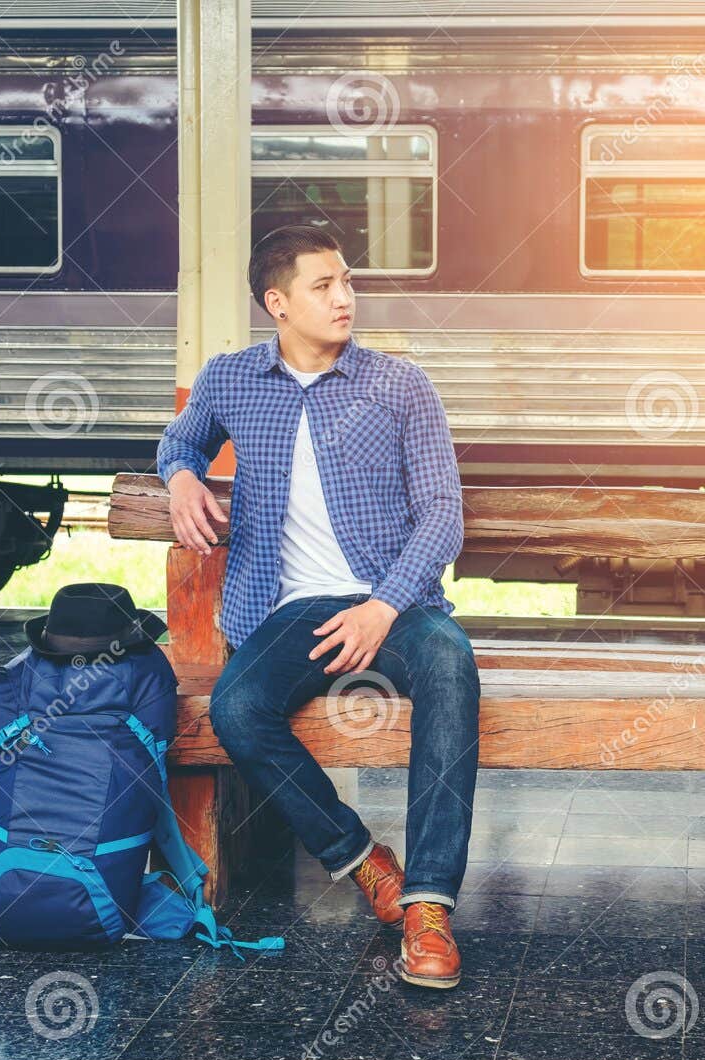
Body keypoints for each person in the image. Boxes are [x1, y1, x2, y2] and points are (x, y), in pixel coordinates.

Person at [154, 224, 479, 989]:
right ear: (278, 303)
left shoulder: (400, 385)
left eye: (347, 282)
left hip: (394, 604)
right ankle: (364, 861)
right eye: (323, 286)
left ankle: (429, 906)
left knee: (449, 658)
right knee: (235, 708)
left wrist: (382, 607)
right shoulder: (232, 380)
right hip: (289, 610)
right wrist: (180, 478)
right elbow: (180, 441)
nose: (344, 297)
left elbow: (443, 515)